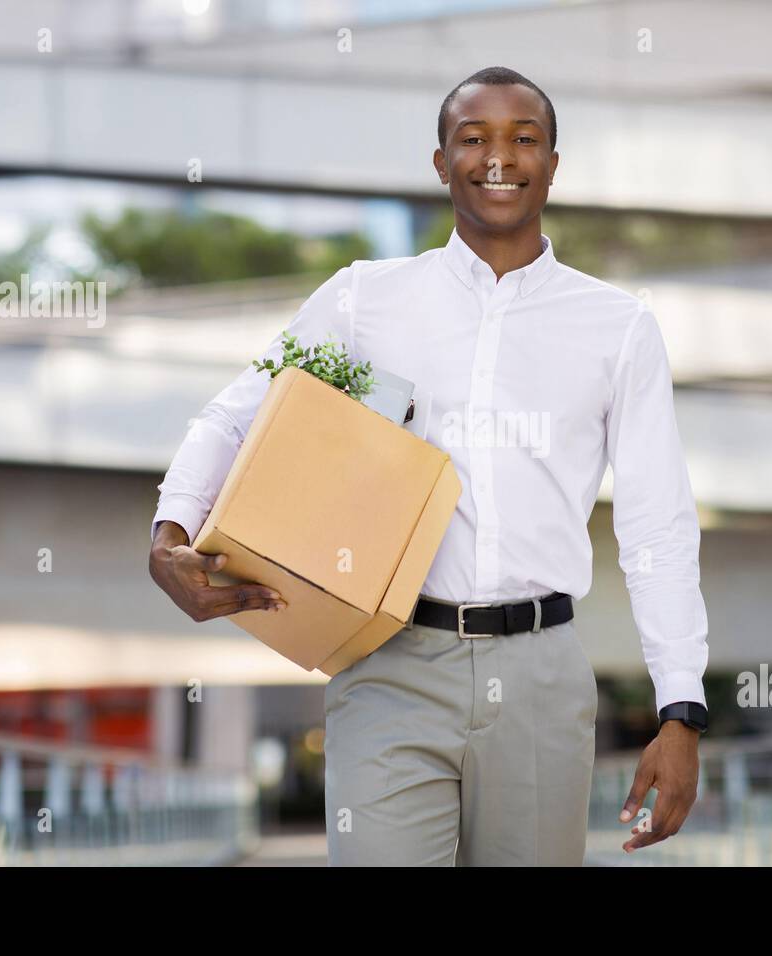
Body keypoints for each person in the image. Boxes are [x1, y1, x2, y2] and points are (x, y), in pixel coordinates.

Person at [148, 66, 710, 866]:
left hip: (541, 678)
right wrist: (169, 530)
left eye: (525, 138)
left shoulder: (618, 329)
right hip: (389, 662)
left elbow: (657, 524)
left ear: (554, 162)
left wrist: (680, 709)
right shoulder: (362, 300)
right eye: (473, 138)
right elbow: (236, 413)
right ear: (441, 163)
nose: (499, 157)